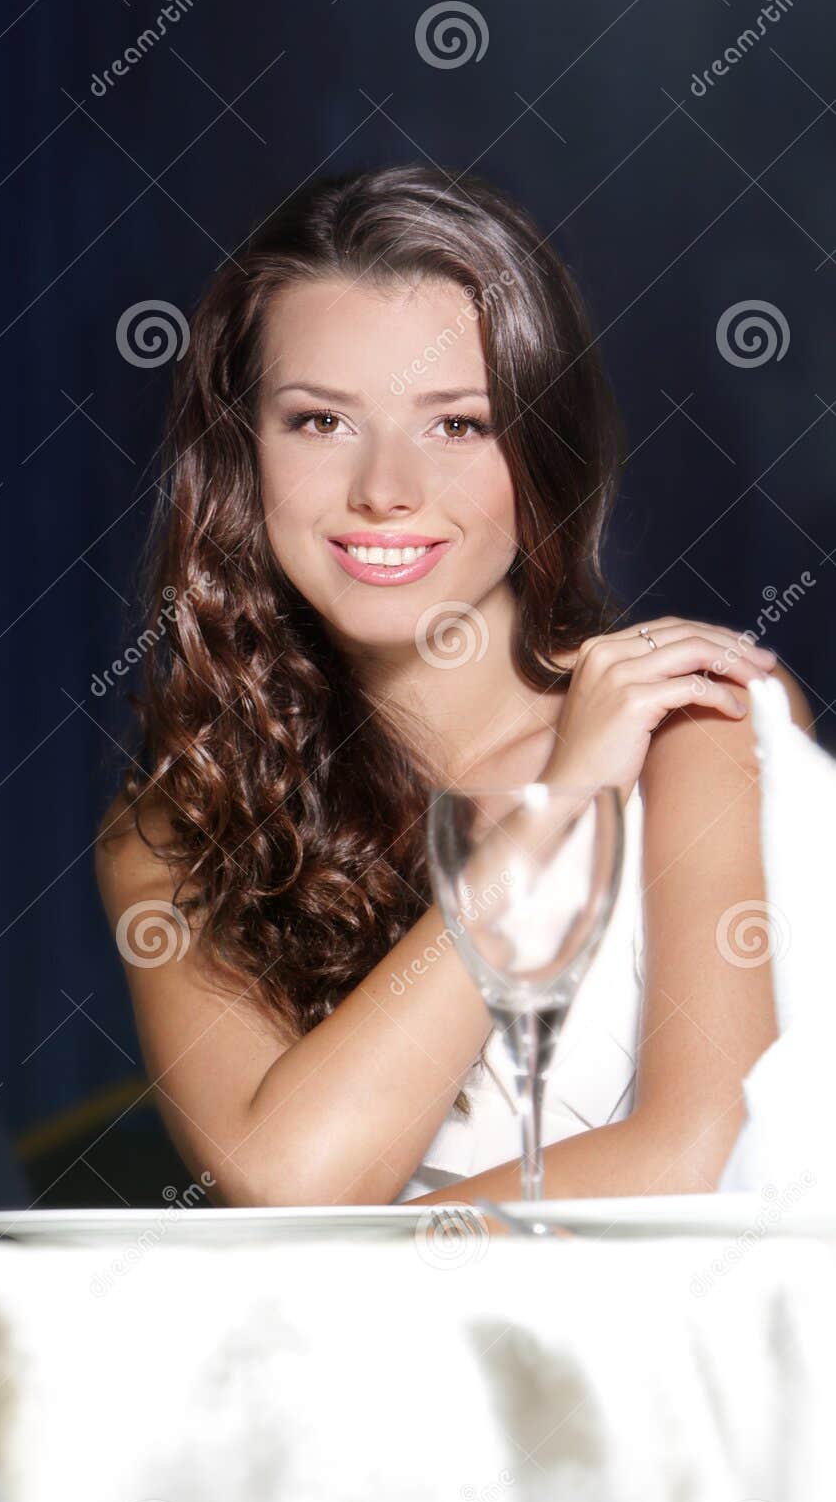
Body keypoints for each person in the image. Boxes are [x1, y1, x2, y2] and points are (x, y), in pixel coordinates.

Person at [95, 164, 813, 1210]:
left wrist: (341, 1275)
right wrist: (547, 818)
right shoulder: (177, 824)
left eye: (457, 424)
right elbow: (294, 1182)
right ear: (242, 455)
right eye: (320, 422)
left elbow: (702, 1157)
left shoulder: (692, 721)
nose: (385, 490)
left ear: (542, 453)